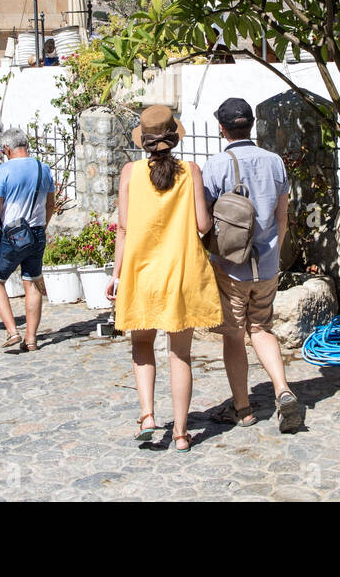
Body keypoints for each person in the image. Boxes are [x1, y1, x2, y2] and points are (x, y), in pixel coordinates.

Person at [108, 105, 223, 452]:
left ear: (143, 140)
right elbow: (203, 225)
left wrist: (116, 275)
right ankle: (182, 434)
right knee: (180, 355)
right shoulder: (191, 171)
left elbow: (124, 230)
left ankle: (147, 416)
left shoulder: (130, 172)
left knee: (141, 345)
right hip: (182, 272)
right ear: (174, 137)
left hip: (141, 272)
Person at [202, 97, 304, 433]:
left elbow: (203, 221)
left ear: (222, 128)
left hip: (232, 266)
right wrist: (275, 249)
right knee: (261, 328)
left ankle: (243, 408)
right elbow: (282, 214)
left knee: (233, 335)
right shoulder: (275, 161)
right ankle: (283, 390)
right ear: (252, 125)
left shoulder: (215, 166)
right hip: (268, 263)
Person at [0, 129, 56, 351]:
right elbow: (51, 203)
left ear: (6, 149)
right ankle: (31, 339)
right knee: (32, 281)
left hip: (13, 234)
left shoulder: (2, 170)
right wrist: (43, 224)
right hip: (37, 230)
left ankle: (13, 331)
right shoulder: (42, 168)